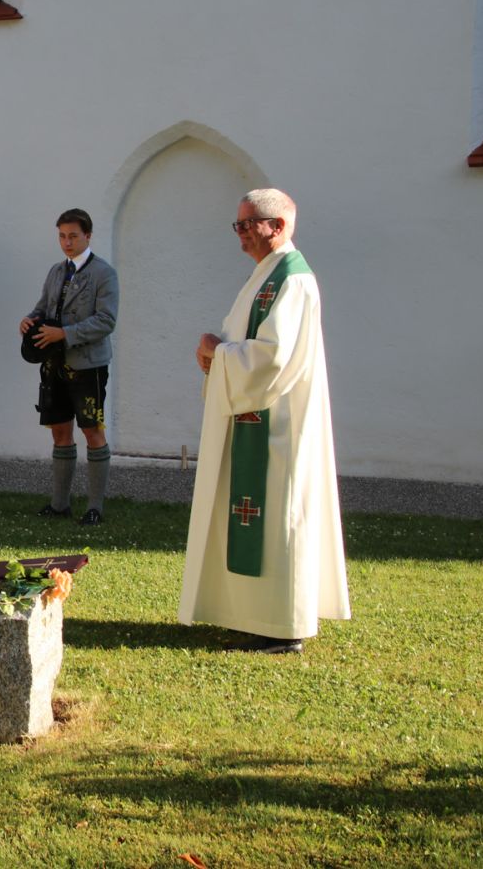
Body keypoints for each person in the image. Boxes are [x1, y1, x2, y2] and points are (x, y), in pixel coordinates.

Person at [179, 189, 350, 653]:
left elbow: (274, 359)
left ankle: (283, 626)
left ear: (278, 225)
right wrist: (216, 355)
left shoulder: (292, 281)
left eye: (246, 224)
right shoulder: (266, 276)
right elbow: (247, 343)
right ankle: (257, 616)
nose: (239, 234)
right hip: (257, 414)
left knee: (280, 517)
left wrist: (219, 352)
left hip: (278, 427)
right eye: (236, 224)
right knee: (262, 518)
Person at [19, 208, 119, 526]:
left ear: (88, 235)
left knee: (92, 431)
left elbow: (106, 321)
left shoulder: (104, 273)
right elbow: (43, 306)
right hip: (53, 363)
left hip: (88, 365)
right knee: (60, 431)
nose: (67, 242)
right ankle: (60, 503)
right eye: (62, 236)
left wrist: (65, 334)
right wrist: (30, 320)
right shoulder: (55, 271)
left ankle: (95, 507)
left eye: (73, 236)